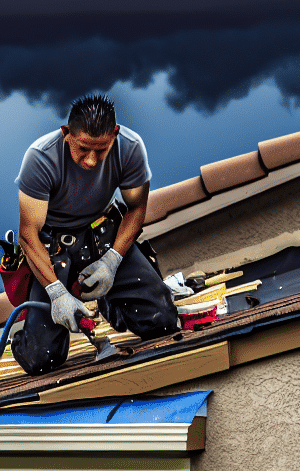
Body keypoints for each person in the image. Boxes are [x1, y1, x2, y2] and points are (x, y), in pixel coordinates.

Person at [12, 93, 179, 375]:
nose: (91, 161)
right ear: (67, 134)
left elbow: (136, 209)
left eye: (101, 151)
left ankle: (110, 300)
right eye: (83, 149)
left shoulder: (130, 148)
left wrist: (112, 262)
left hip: (104, 238)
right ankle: (28, 338)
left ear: (114, 134)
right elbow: (29, 234)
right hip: (57, 253)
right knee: (42, 359)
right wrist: (56, 293)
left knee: (161, 321)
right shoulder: (41, 158)